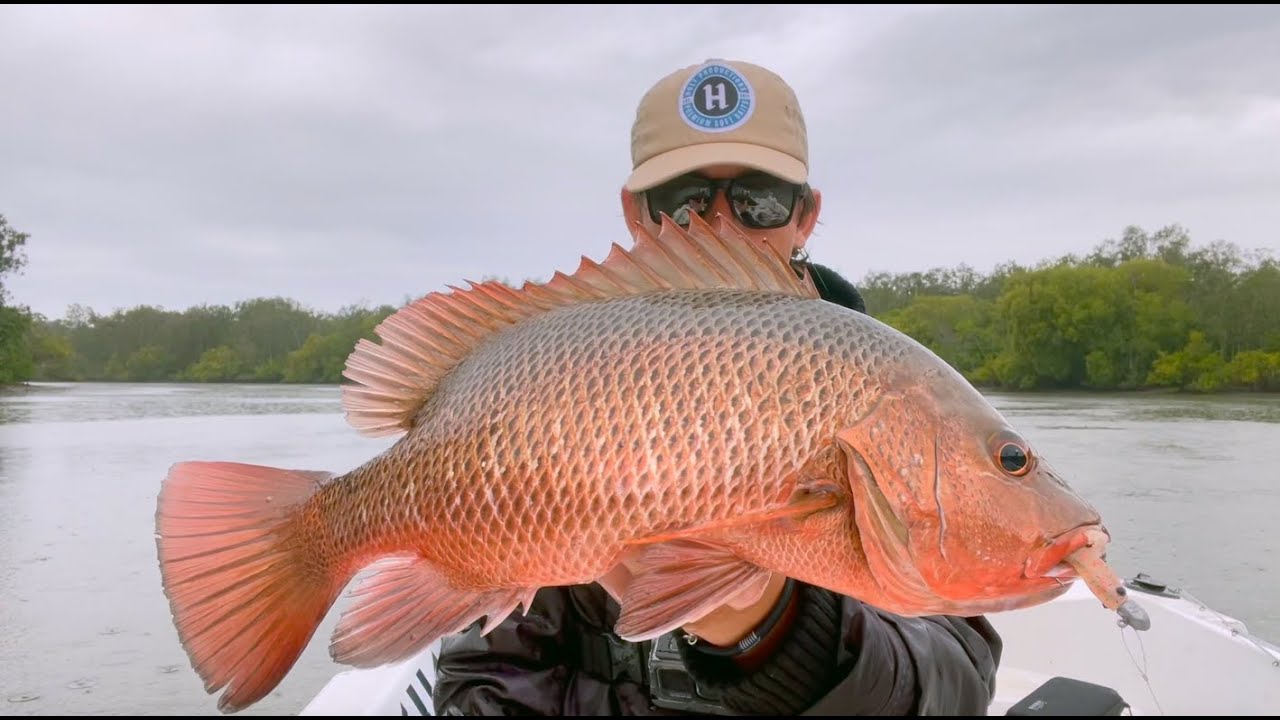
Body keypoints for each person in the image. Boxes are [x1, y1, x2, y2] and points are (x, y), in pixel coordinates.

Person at [431, 59, 1003, 716]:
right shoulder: (553, 397)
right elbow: (483, 680)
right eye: (685, 201)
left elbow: (954, 686)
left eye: (759, 198)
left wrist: (769, 630)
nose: (723, 227)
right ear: (636, 215)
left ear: (805, 215)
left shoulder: (906, 409)